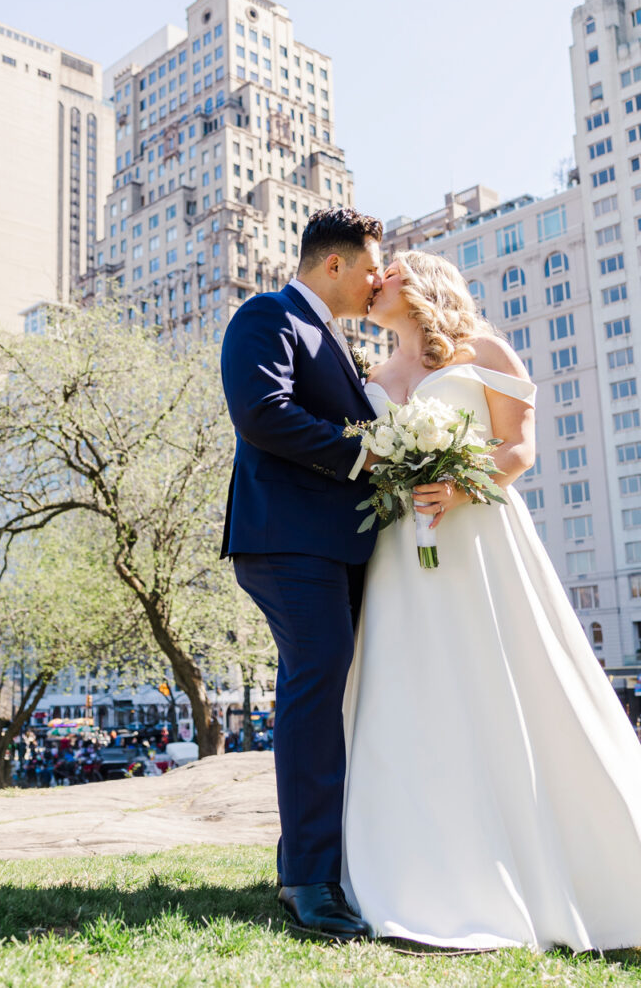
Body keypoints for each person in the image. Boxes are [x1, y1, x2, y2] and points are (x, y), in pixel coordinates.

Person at [338, 252, 641, 965]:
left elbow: (521, 449)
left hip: (480, 542)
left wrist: (461, 487)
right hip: (400, 558)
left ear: (416, 283)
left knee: (515, 692)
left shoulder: (485, 348)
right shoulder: (371, 380)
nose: (370, 285)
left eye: (383, 275)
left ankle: (567, 877)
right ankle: (416, 874)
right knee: (412, 700)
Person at [220, 207, 384, 940]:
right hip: (287, 541)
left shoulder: (341, 344)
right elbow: (260, 413)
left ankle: (314, 859)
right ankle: (307, 881)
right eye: (373, 267)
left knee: (326, 693)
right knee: (315, 687)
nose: (380, 281)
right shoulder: (268, 315)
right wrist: (364, 454)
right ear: (336, 264)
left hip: (336, 544)